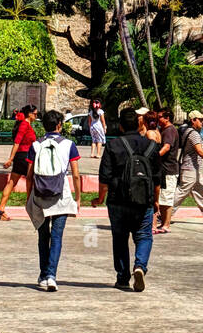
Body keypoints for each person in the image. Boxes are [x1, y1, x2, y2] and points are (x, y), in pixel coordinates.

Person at [93, 108, 161, 292]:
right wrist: (155, 201)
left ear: (120, 126)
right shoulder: (151, 146)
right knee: (144, 235)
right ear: (140, 123)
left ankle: (123, 277)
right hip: (144, 200)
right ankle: (140, 266)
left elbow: (104, 177)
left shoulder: (113, 146)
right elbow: (156, 179)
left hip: (117, 200)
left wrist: (100, 198)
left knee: (120, 238)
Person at [25, 109, 81, 290]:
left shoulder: (36, 145)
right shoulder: (69, 145)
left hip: (40, 195)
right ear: (59, 125)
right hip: (61, 195)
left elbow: (29, 175)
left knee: (43, 237)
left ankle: (42, 275)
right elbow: (76, 174)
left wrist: (29, 197)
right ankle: (51, 275)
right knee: (57, 236)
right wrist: (78, 198)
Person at [0, 104, 38, 220]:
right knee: (30, 181)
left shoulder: (26, 124)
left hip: (22, 156)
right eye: (35, 114)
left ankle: (1, 209)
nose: (36, 116)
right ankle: (30, 208)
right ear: (29, 114)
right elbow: (17, 142)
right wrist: (10, 159)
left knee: (12, 182)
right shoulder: (25, 125)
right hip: (25, 157)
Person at [156, 107, 179, 232]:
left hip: (169, 169)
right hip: (164, 169)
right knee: (163, 198)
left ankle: (166, 224)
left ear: (167, 118)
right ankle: (164, 223)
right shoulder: (164, 130)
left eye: (160, 117)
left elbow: (166, 147)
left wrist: (154, 156)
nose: (158, 119)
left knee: (167, 198)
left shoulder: (169, 130)